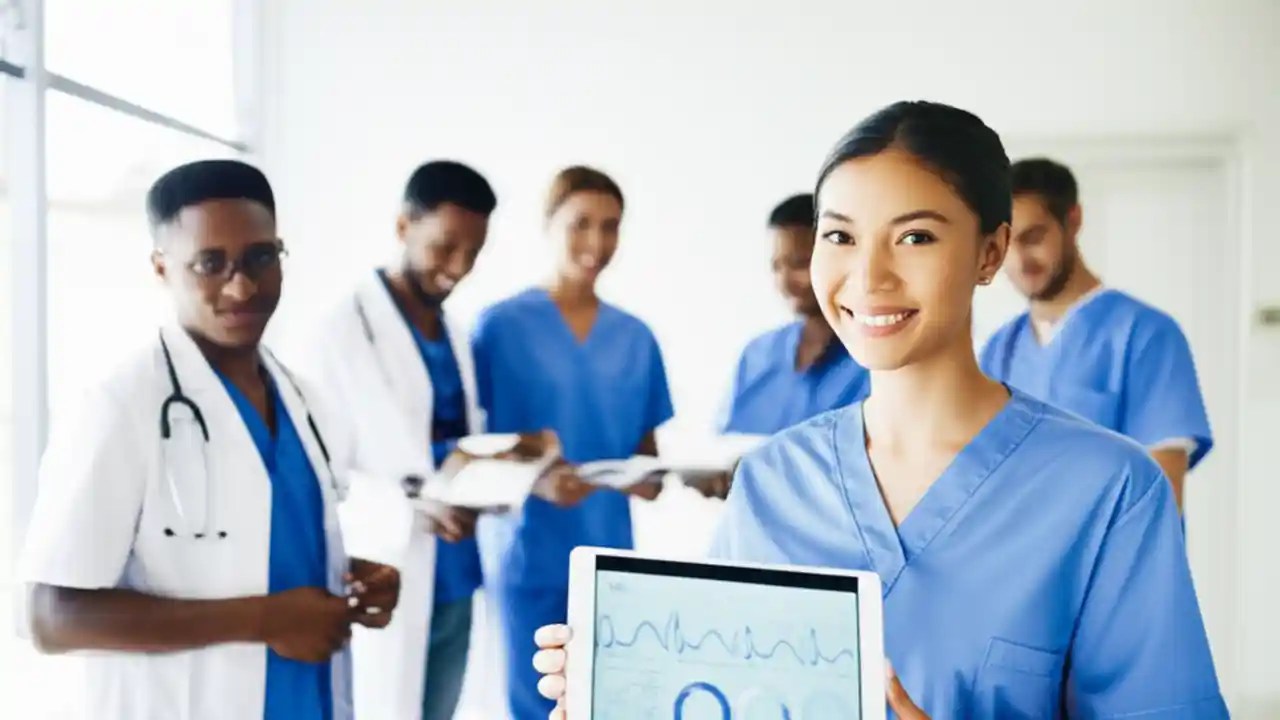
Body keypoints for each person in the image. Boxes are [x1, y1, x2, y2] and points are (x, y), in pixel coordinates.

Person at [530, 102, 1226, 718]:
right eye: (840, 236)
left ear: (991, 253)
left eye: (915, 236)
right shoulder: (773, 480)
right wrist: (622, 696)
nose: (869, 277)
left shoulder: (1109, 491)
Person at [18, 159, 400, 719]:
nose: (241, 285)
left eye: (260, 258)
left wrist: (351, 573)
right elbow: (50, 616)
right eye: (210, 263)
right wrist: (265, 619)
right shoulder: (120, 405)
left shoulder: (302, 400)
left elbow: (249, 543)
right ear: (160, 268)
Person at [472, 165, 674, 719]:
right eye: (580, 223)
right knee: (534, 704)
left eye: (611, 226)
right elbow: (470, 453)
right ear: (548, 224)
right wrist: (538, 479)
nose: (597, 242)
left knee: (602, 706)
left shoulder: (636, 337)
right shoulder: (498, 327)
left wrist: (656, 479)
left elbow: (647, 455)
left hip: (609, 559)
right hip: (527, 553)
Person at [298, 161, 496, 720]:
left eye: (473, 252)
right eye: (445, 247)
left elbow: (456, 439)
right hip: (389, 561)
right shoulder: (338, 331)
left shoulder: (453, 331)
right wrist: (412, 507)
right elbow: (319, 474)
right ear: (403, 226)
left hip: (455, 570)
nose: (458, 268)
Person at [979, 158, 1212, 511]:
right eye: (1007, 245)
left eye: (1034, 237)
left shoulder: (1146, 336)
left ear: (1073, 220)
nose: (1019, 260)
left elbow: (1161, 494)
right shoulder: (1000, 350)